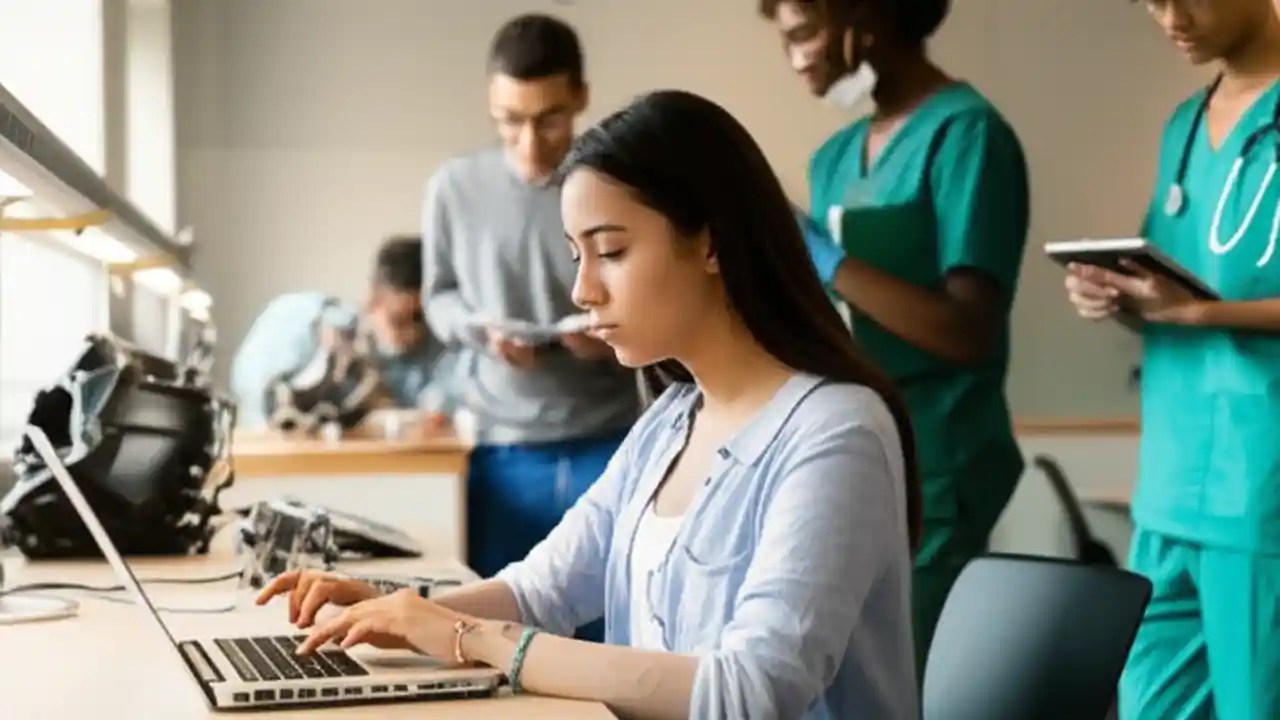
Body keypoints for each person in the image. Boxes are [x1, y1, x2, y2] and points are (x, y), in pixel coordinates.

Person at [256, 89, 923, 720]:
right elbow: (542, 590)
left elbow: (749, 690)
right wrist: (396, 611)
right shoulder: (671, 420)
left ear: (712, 242)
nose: (581, 289)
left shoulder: (836, 431)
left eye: (611, 251)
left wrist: (472, 638)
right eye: (577, 255)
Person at [758, 0, 1031, 671]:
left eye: (802, 35)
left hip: (939, 462)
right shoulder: (834, 159)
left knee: (914, 677)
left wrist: (827, 258)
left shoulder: (968, 136)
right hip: (849, 449)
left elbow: (966, 330)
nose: (794, 59)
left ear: (865, 20)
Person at [1064, 1, 1280, 717]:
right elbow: (1173, 286)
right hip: (1169, 486)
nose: (1169, 19)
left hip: (1261, 497)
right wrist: (1119, 296)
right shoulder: (1183, 127)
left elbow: (1197, 305)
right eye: (1149, 2)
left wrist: (1201, 313)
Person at [418, 12, 641, 616]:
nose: (531, 143)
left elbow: (653, 296)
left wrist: (618, 334)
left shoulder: (621, 182)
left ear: (581, 98)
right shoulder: (453, 188)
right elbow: (437, 298)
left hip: (610, 440)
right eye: (510, 122)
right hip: (502, 448)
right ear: (491, 106)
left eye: (550, 120)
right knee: (500, 628)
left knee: (611, 622)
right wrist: (479, 332)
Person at [230, 234, 460, 432]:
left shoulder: (438, 352)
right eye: (400, 320)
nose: (413, 334)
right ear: (373, 299)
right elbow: (248, 380)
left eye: (423, 320)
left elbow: (449, 406)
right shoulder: (308, 318)